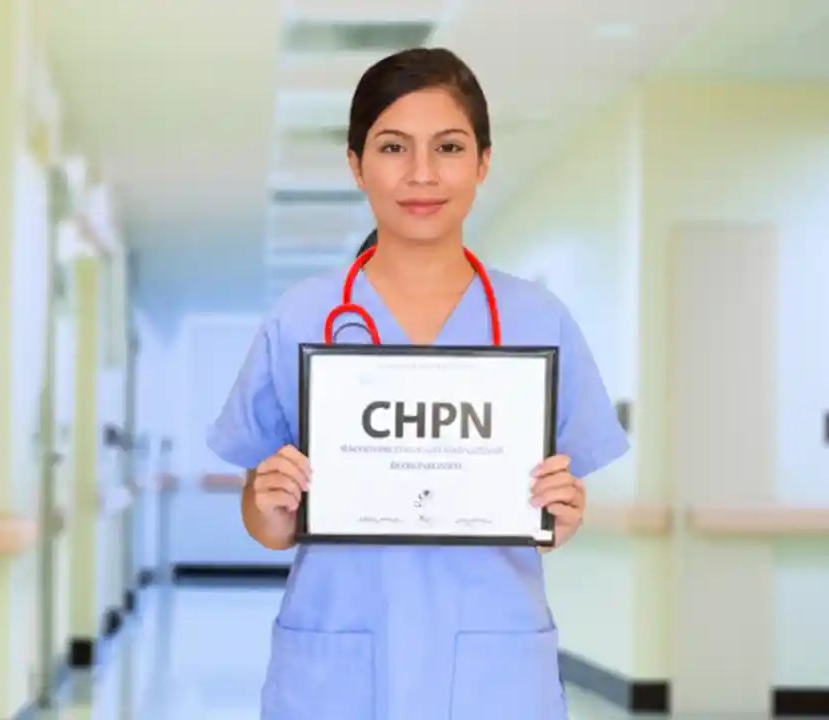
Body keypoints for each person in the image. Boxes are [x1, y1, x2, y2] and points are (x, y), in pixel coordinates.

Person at [205, 47, 629, 720]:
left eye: (450, 146)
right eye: (394, 146)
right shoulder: (302, 317)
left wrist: (561, 512)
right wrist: (271, 505)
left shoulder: (537, 320)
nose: (422, 174)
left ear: (484, 162)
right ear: (356, 163)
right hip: (339, 660)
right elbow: (264, 519)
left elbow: (553, 513)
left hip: (492, 666)